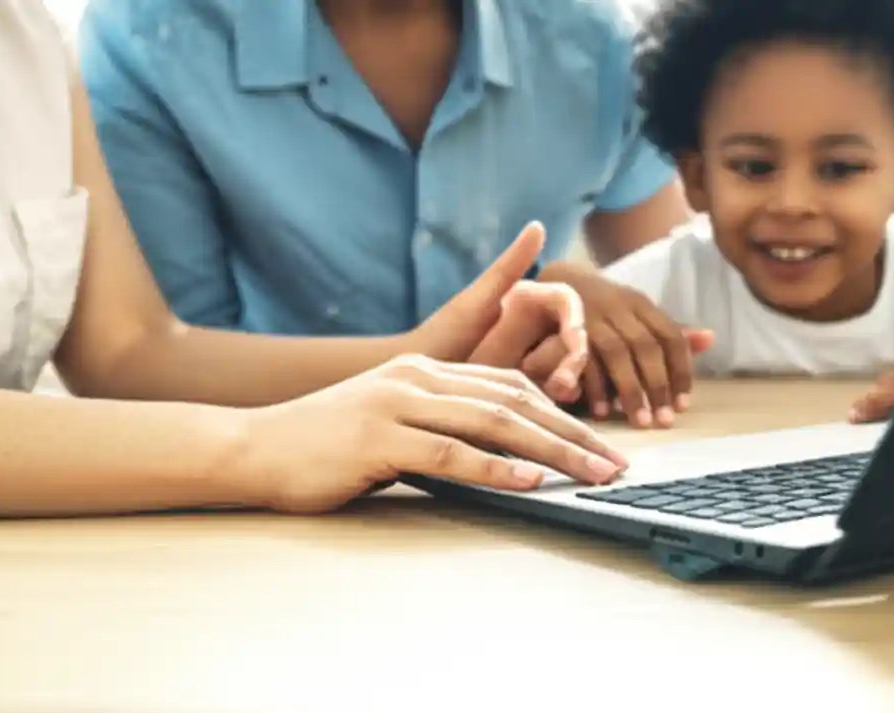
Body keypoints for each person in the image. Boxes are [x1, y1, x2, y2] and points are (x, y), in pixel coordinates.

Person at [0, 0, 628, 519]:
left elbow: (126, 349)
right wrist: (265, 447)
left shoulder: (27, 33)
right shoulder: (143, 33)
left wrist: (433, 358)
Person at [79, 0, 710, 430]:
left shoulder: (597, 38)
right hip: (262, 483)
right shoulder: (153, 34)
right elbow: (149, 367)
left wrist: (589, 314)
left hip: (534, 476)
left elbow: (679, 302)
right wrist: (450, 365)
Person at [599, 0, 894, 423]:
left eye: (839, 169)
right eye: (754, 167)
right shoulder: (651, 299)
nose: (791, 204)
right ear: (697, 178)